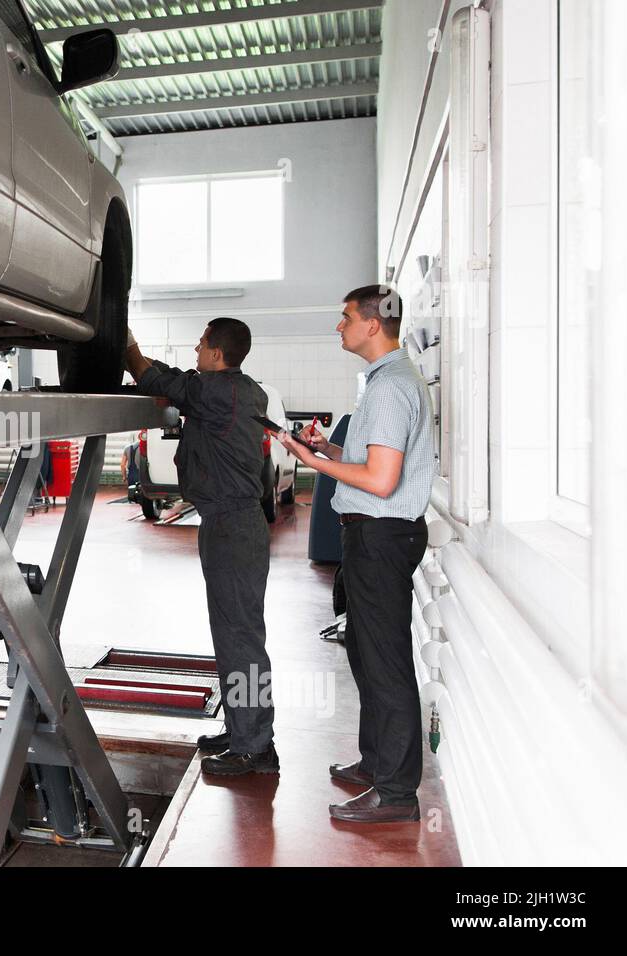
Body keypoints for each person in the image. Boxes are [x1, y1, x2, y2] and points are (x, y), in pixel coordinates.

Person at [277, 285, 437, 823]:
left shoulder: (391, 388)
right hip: (371, 534)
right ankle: (375, 763)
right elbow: (371, 463)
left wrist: (311, 463)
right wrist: (327, 449)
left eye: (344, 318)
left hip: (381, 535)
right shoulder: (385, 382)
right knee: (366, 654)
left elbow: (381, 480)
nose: (337, 327)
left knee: (385, 662)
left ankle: (396, 795)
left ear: (373, 324)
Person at [125, 319, 277, 775]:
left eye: (201, 342)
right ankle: (242, 729)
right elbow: (176, 379)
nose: (195, 347)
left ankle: (255, 748)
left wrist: (125, 343)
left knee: (242, 639)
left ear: (215, 354)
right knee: (232, 636)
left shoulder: (219, 393)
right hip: (230, 524)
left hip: (234, 527)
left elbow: (158, 378)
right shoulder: (241, 389)